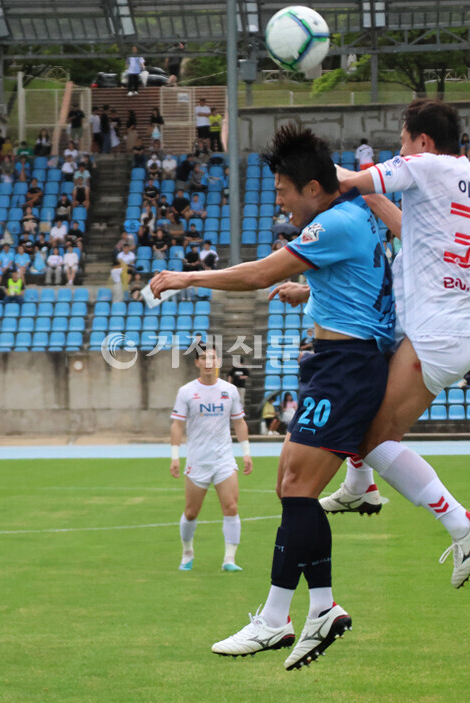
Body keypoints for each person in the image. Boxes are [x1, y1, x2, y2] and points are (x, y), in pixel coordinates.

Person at [151, 124, 392, 668]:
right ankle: (322, 606)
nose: (278, 201)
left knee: (298, 487)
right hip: (340, 363)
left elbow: (260, 273)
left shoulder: (334, 222)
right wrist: (309, 291)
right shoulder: (353, 215)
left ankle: (276, 620)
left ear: (311, 187)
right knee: (291, 487)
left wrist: (189, 279)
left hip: (348, 367)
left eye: (283, 190)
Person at [327, 99, 470, 591]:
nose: (399, 150)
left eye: (402, 141)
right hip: (453, 330)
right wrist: (369, 198)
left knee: (374, 440)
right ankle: (361, 488)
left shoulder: (426, 166)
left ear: (422, 141)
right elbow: (418, 234)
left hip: (434, 336)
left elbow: (349, 180)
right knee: (362, 409)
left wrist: (309, 160)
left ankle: (462, 523)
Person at [169, 346, 253, 572]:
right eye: (204, 358)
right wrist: (175, 456)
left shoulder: (229, 391)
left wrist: (246, 452)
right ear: (197, 362)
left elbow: (239, 422)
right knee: (191, 512)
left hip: (224, 459)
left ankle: (229, 559)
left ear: (218, 361)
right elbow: (177, 425)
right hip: (198, 460)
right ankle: (187, 553)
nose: (208, 361)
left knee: (231, 507)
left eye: (212, 357)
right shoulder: (186, 391)